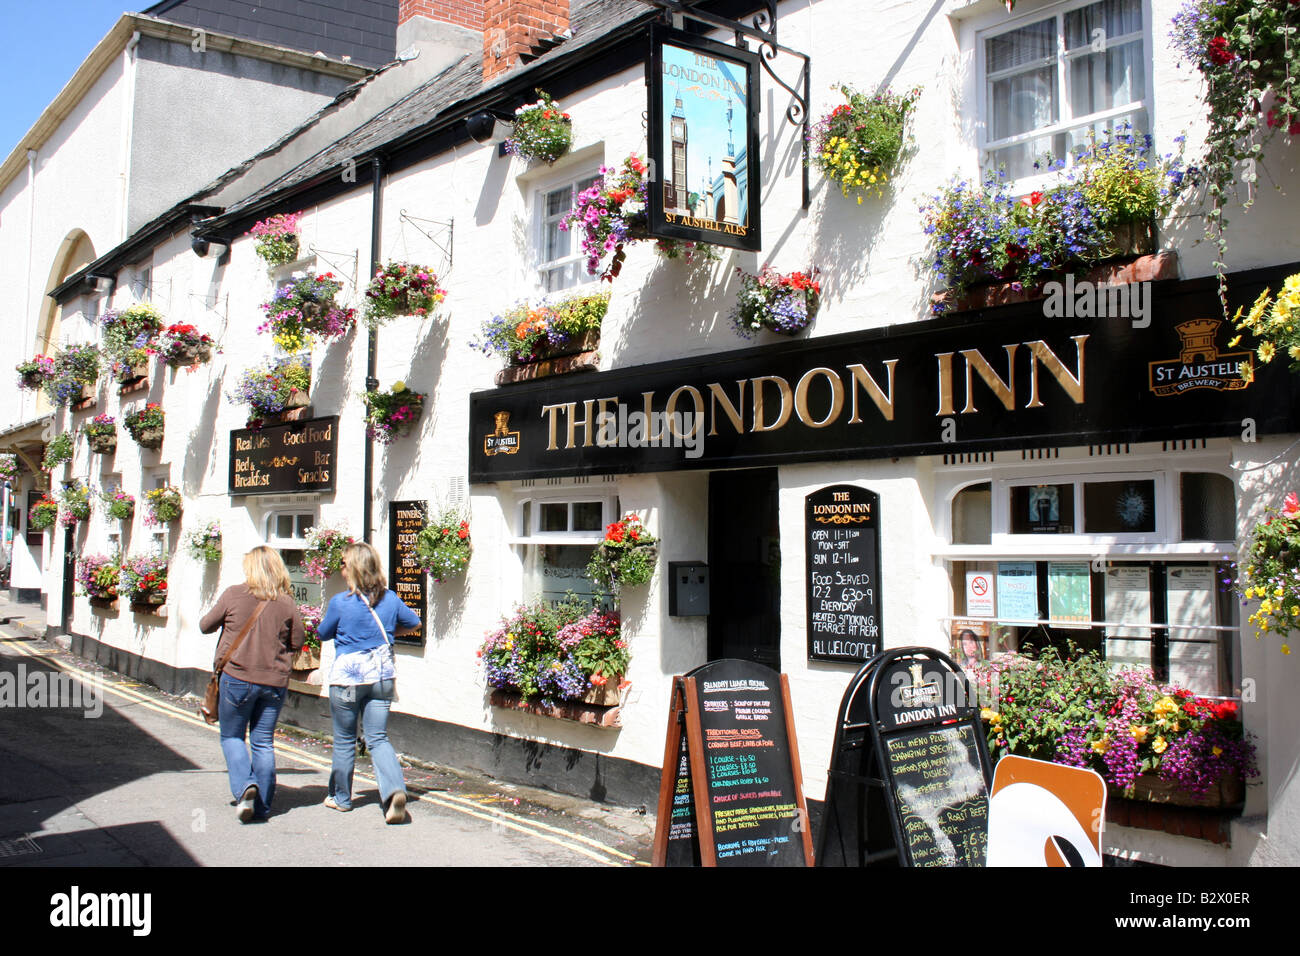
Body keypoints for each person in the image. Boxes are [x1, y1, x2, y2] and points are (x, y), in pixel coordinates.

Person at [199, 546, 304, 822]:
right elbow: (298, 642)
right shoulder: (286, 602)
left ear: (251, 569)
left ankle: (246, 786)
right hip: (274, 682)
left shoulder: (234, 594)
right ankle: (263, 806)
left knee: (232, 736)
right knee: (263, 742)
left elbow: (205, 625)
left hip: (237, 678)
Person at [317, 541, 419, 823]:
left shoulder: (341, 602)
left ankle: (341, 798)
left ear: (353, 569)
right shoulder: (391, 599)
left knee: (345, 739)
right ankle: (395, 791)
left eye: (343, 564)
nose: (340, 568)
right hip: (382, 678)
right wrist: (387, 633)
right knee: (377, 737)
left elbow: (322, 634)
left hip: (349, 681)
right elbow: (414, 623)